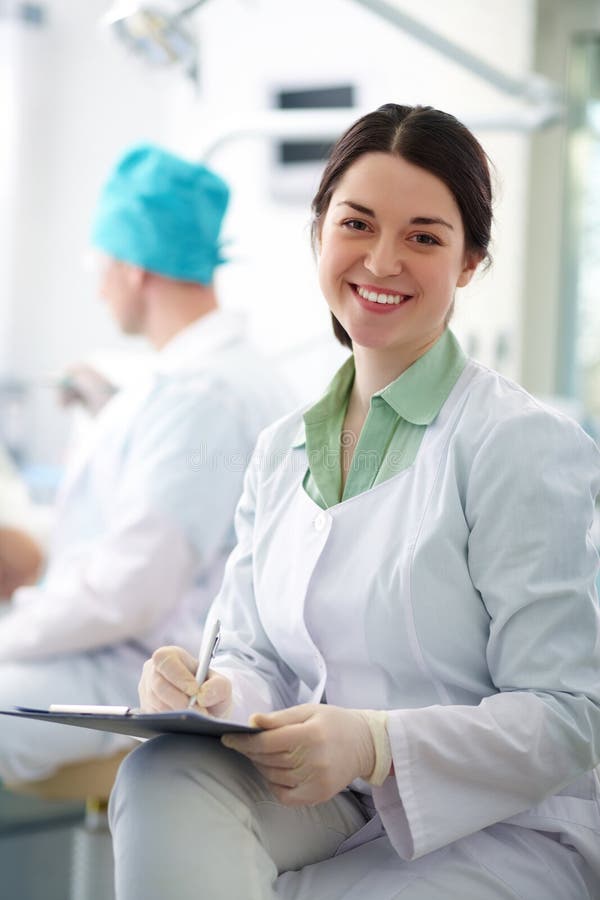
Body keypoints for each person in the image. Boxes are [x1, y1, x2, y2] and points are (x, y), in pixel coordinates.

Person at [109, 105, 600, 899]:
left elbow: (570, 714)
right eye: (357, 224)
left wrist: (376, 744)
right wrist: (210, 694)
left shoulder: (517, 443)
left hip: (499, 825)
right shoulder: (280, 451)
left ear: (471, 262)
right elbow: (256, 654)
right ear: (319, 233)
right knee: (164, 775)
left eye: (424, 237)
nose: (381, 260)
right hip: (328, 802)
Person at [0, 144, 290, 784]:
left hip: (149, 667)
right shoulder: (204, 379)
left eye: (99, 263)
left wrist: (15, 626)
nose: (98, 284)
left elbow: (132, 587)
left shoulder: (201, 396)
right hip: (137, 649)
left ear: (133, 269)